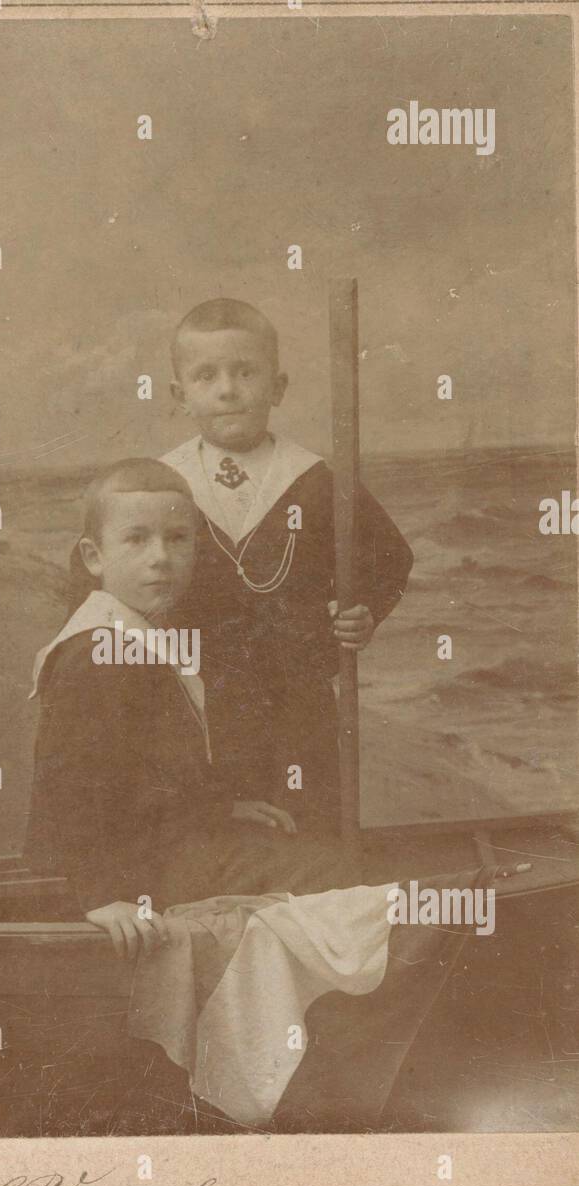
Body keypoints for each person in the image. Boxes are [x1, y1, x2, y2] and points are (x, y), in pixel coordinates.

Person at [25, 457, 355, 960]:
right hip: (131, 869)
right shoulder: (99, 650)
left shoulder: (141, 631)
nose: (161, 557)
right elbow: (67, 785)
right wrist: (98, 896)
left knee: (302, 855)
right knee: (327, 874)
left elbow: (149, 774)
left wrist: (219, 808)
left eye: (178, 539)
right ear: (94, 557)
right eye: (136, 540)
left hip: (157, 842)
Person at [161, 297, 414, 831]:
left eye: (246, 372)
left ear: (277, 387)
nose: (228, 389)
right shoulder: (162, 484)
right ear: (180, 396)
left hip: (298, 700)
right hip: (197, 698)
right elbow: (103, 584)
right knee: (211, 835)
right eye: (207, 376)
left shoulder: (318, 480)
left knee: (309, 828)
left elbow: (390, 558)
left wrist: (363, 612)